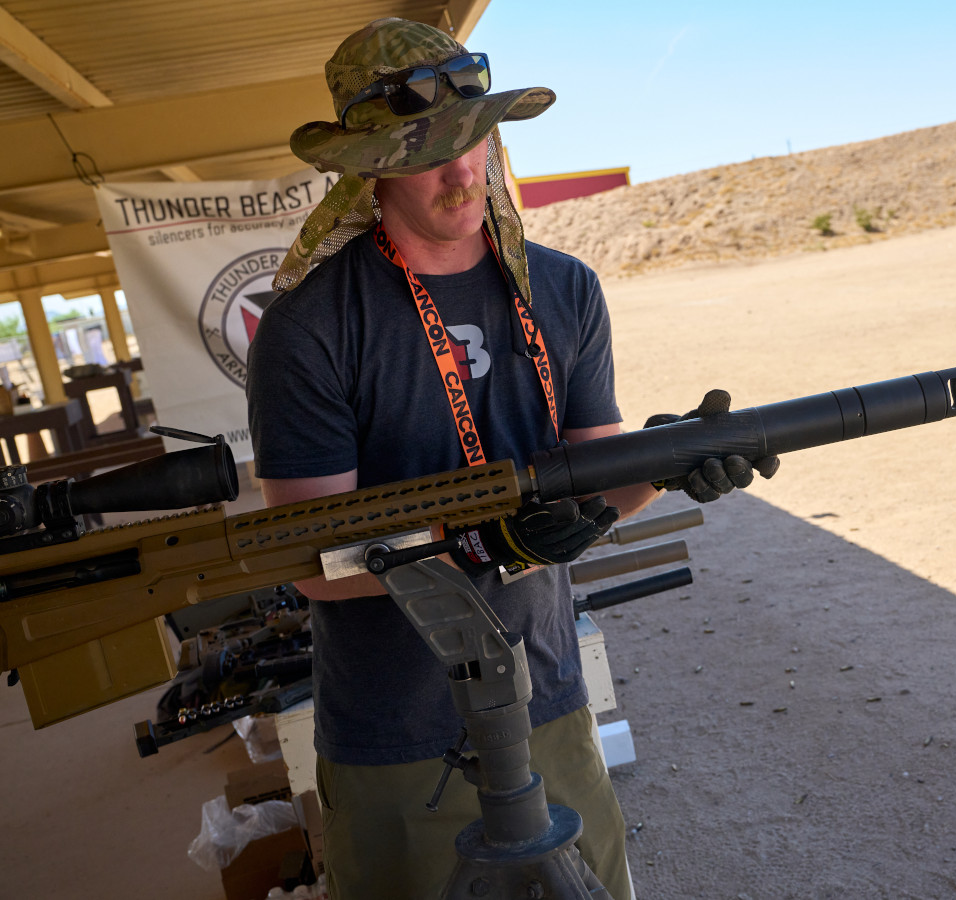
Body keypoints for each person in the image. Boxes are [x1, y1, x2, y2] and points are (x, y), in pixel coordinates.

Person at [247, 17, 775, 900]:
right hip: (395, 733)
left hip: (548, 698)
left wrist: (676, 456)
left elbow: (595, 477)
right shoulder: (310, 326)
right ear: (369, 163)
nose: (463, 172)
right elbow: (313, 561)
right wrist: (491, 543)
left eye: (477, 139)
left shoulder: (564, 288)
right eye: (428, 152)